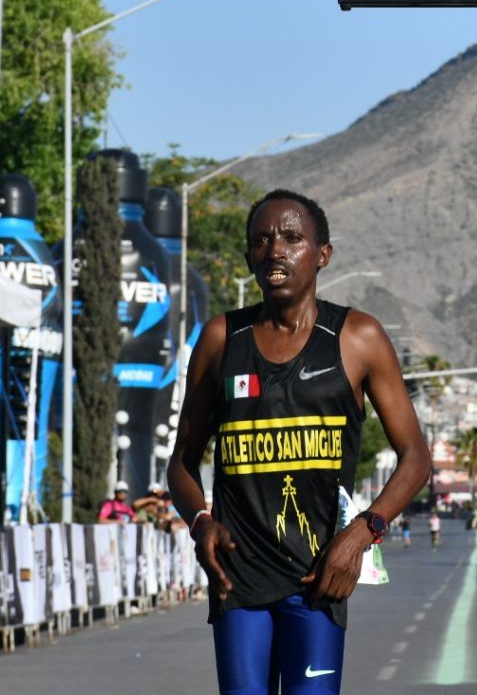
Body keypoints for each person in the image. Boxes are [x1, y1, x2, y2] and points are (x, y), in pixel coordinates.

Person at [167, 189, 430, 695]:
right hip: (239, 577)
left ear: (322, 254)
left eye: (292, 238)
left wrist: (360, 535)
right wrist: (201, 523)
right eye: (261, 240)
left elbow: (415, 458)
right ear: (248, 257)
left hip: (320, 575)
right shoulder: (223, 339)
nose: (275, 250)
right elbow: (182, 461)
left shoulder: (357, 338)